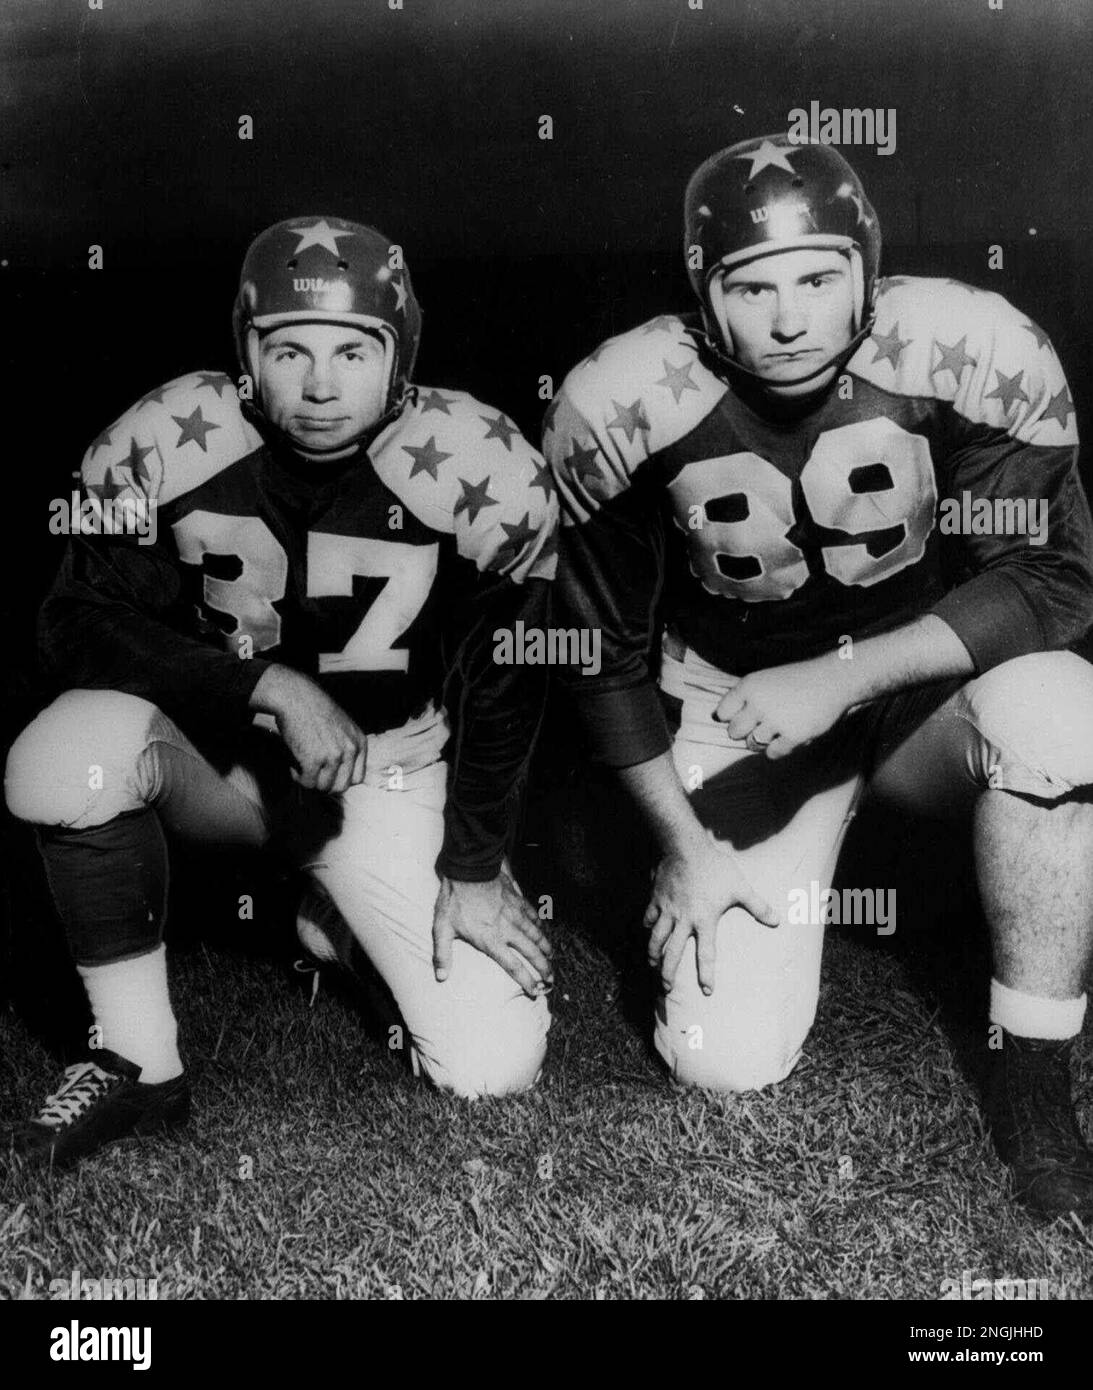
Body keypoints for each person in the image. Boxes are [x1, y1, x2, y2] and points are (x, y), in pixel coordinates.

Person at [545, 135, 1093, 1218]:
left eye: (815, 279)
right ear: (704, 296)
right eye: (752, 287)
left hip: (918, 692)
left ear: (867, 273)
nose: (787, 319)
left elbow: (1054, 575)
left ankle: (1034, 1086)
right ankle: (883, 885)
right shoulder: (619, 399)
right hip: (734, 705)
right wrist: (683, 847)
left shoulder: (967, 345)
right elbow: (598, 650)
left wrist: (841, 677)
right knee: (720, 1054)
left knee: (1062, 716)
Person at [5, 215, 557, 1168]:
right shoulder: (172, 433)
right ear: (246, 355)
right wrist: (265, 687)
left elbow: (505, 680)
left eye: (352, 350)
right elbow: (74, 620)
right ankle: (140, 1062)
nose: (318, 383)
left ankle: (331, 921)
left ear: (401, 356)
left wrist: (470, 866)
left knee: (490, 1062)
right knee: (61, 757)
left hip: (383, 776)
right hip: (217, 766)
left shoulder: (477, 461)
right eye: (288, 349)